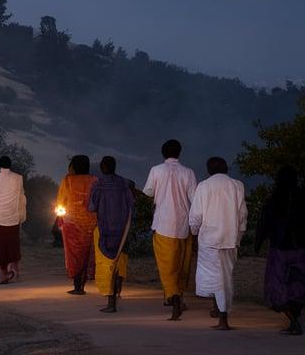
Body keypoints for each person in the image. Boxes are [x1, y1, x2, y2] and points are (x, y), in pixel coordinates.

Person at [189, 157, 247, 331]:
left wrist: (194, 232)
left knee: (216, 278)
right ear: (226, 168)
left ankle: (223, 317)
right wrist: (239, 236)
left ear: (209, 170)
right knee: (225, 277)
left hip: (210, 239)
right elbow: (242, 214)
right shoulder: (237, 185)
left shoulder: (204, 186)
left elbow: (196, 216)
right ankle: (220, 311)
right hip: (230, 239)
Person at [143, 138, 199, 320]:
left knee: (167, 266)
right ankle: (178, 298)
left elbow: (148, 192)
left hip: (162, 224)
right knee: (182, 265)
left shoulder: (156, 170)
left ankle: (173, 299)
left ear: (163, 153)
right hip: (183, 225)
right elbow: (195, 199)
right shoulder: (188, 172)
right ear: (179, 153)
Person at [256, 165, 305, 335]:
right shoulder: (301, 197)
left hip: (280, 249)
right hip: (300, 249)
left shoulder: (275, 199)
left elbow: (265, 223)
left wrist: (258, 242)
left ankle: (294, 321)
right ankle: (295, 319)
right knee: (298, 285)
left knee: (278, 285)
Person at [88, 156, 135, 313]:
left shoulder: (99, 184)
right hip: (122, 231)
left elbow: (91, 206)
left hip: (104, 230)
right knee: (118, 263)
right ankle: (118, 291)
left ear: (102, 168)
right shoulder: (124, 184)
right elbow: (131, 204)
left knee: (106, 265)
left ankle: (111, 302)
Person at [56, 155, 97, 295]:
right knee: (87, 253)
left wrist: (59, 218)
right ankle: (82, 284)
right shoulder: (94, 180)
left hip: (71, 223)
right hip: (91, 222)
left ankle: (77, 285)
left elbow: (61, 201)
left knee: (73, 254)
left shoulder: (67, 180)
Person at [0, 156, 26, 285]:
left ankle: (4, 274)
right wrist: (21, 215)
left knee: (0, 245)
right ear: (10, 165)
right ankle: (14, 266)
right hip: (13, 216)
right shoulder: (18, 178)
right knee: (13, 243)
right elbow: (21, 197)